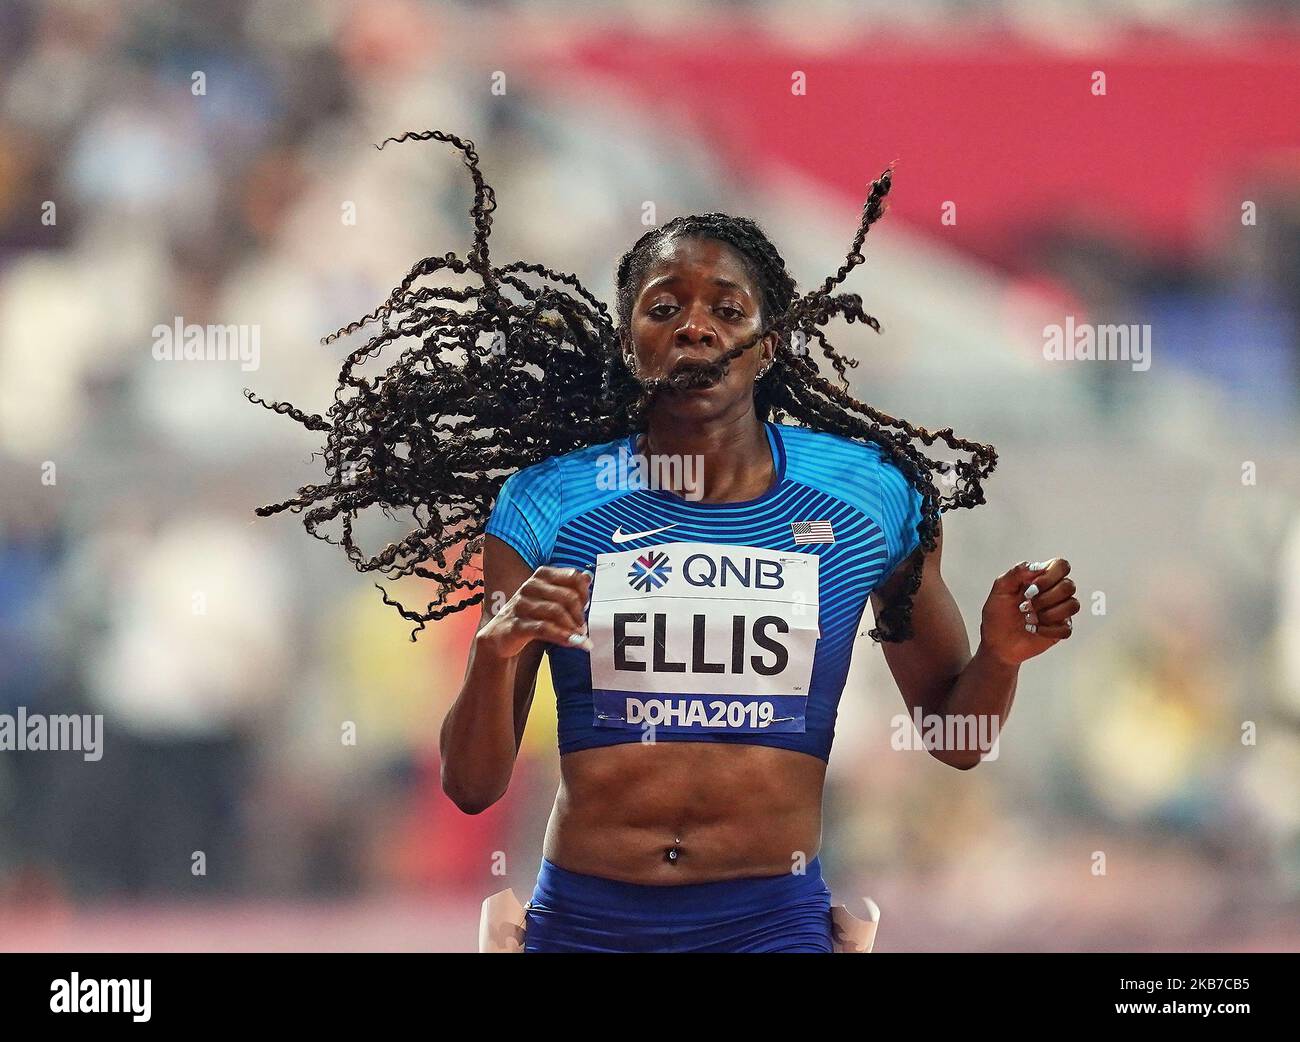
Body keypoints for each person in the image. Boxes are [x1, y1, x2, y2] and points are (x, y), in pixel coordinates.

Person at [249, 129, 1079, 952]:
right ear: (628, 341)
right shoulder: (549, 504)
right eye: (663, 308)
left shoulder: (869, 498)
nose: (695, 327)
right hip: (587, 919)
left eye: (727, 310)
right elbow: (472, 789)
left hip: (769, 921)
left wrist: (1001, 657)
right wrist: (496, 654)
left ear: (771, 343)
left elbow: (954, 741)